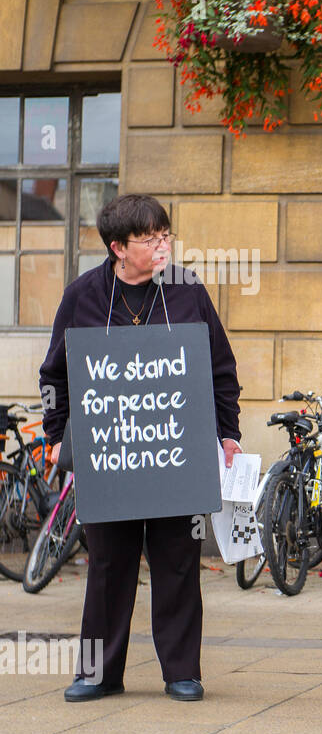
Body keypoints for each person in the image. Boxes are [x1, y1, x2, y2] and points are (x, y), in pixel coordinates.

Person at [39, 194, 242, 702]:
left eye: (166, 235)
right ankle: (97, 673)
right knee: (107, 566)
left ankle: (182, 671)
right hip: (110, 457)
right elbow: (54, 375)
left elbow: (220, 367)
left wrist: (228, 432)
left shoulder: (186, 291)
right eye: (149, 238)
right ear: (117, 248)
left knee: (177, 560)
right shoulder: (82, 295)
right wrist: (57, 434)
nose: (162, 245)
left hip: (177, 454)